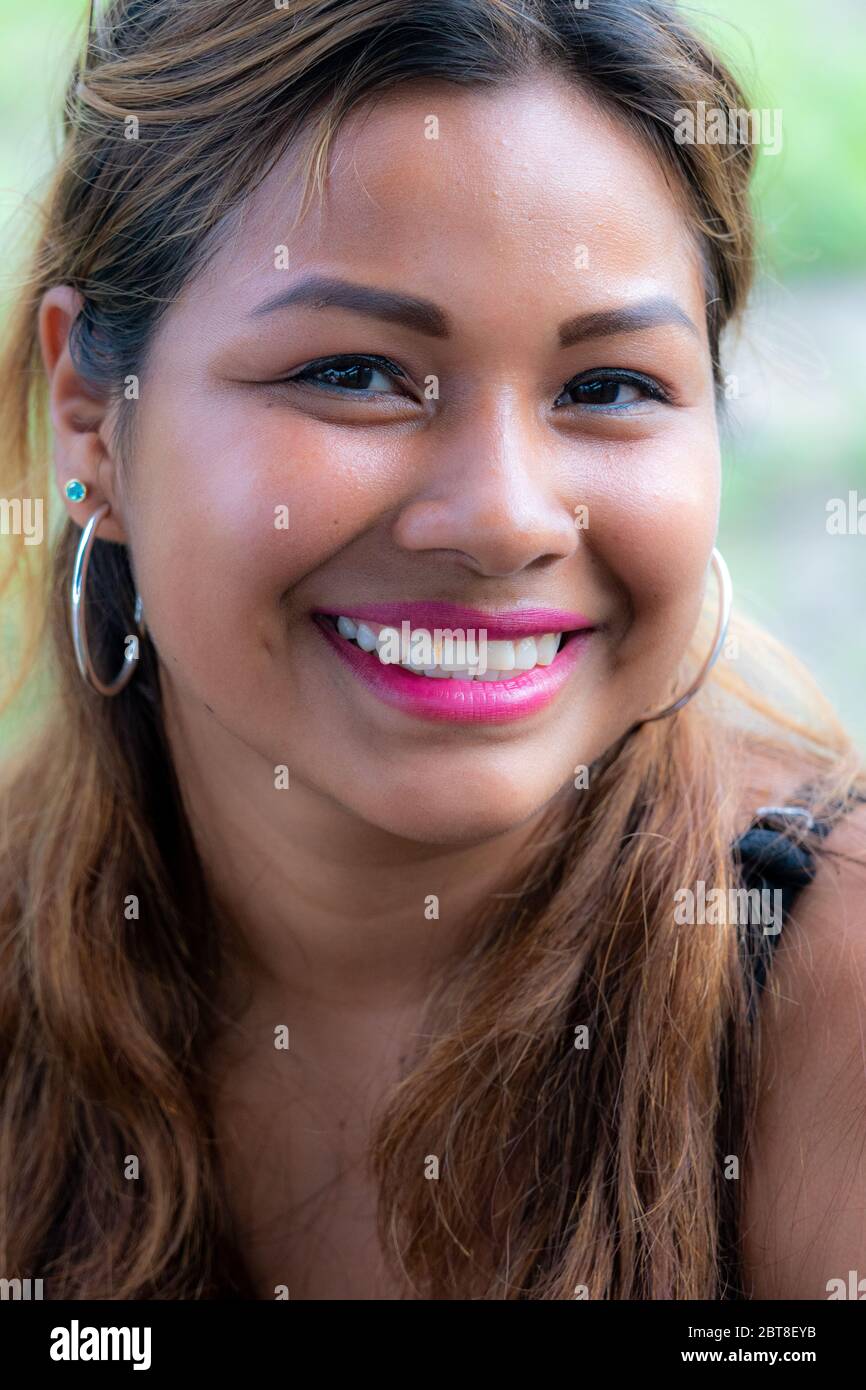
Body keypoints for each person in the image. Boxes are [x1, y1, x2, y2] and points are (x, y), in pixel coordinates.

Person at [0, 0, 864, 1301]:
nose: (505, 517)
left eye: (608, 386)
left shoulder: (825, 985)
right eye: (353, 371)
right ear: (90, 419)